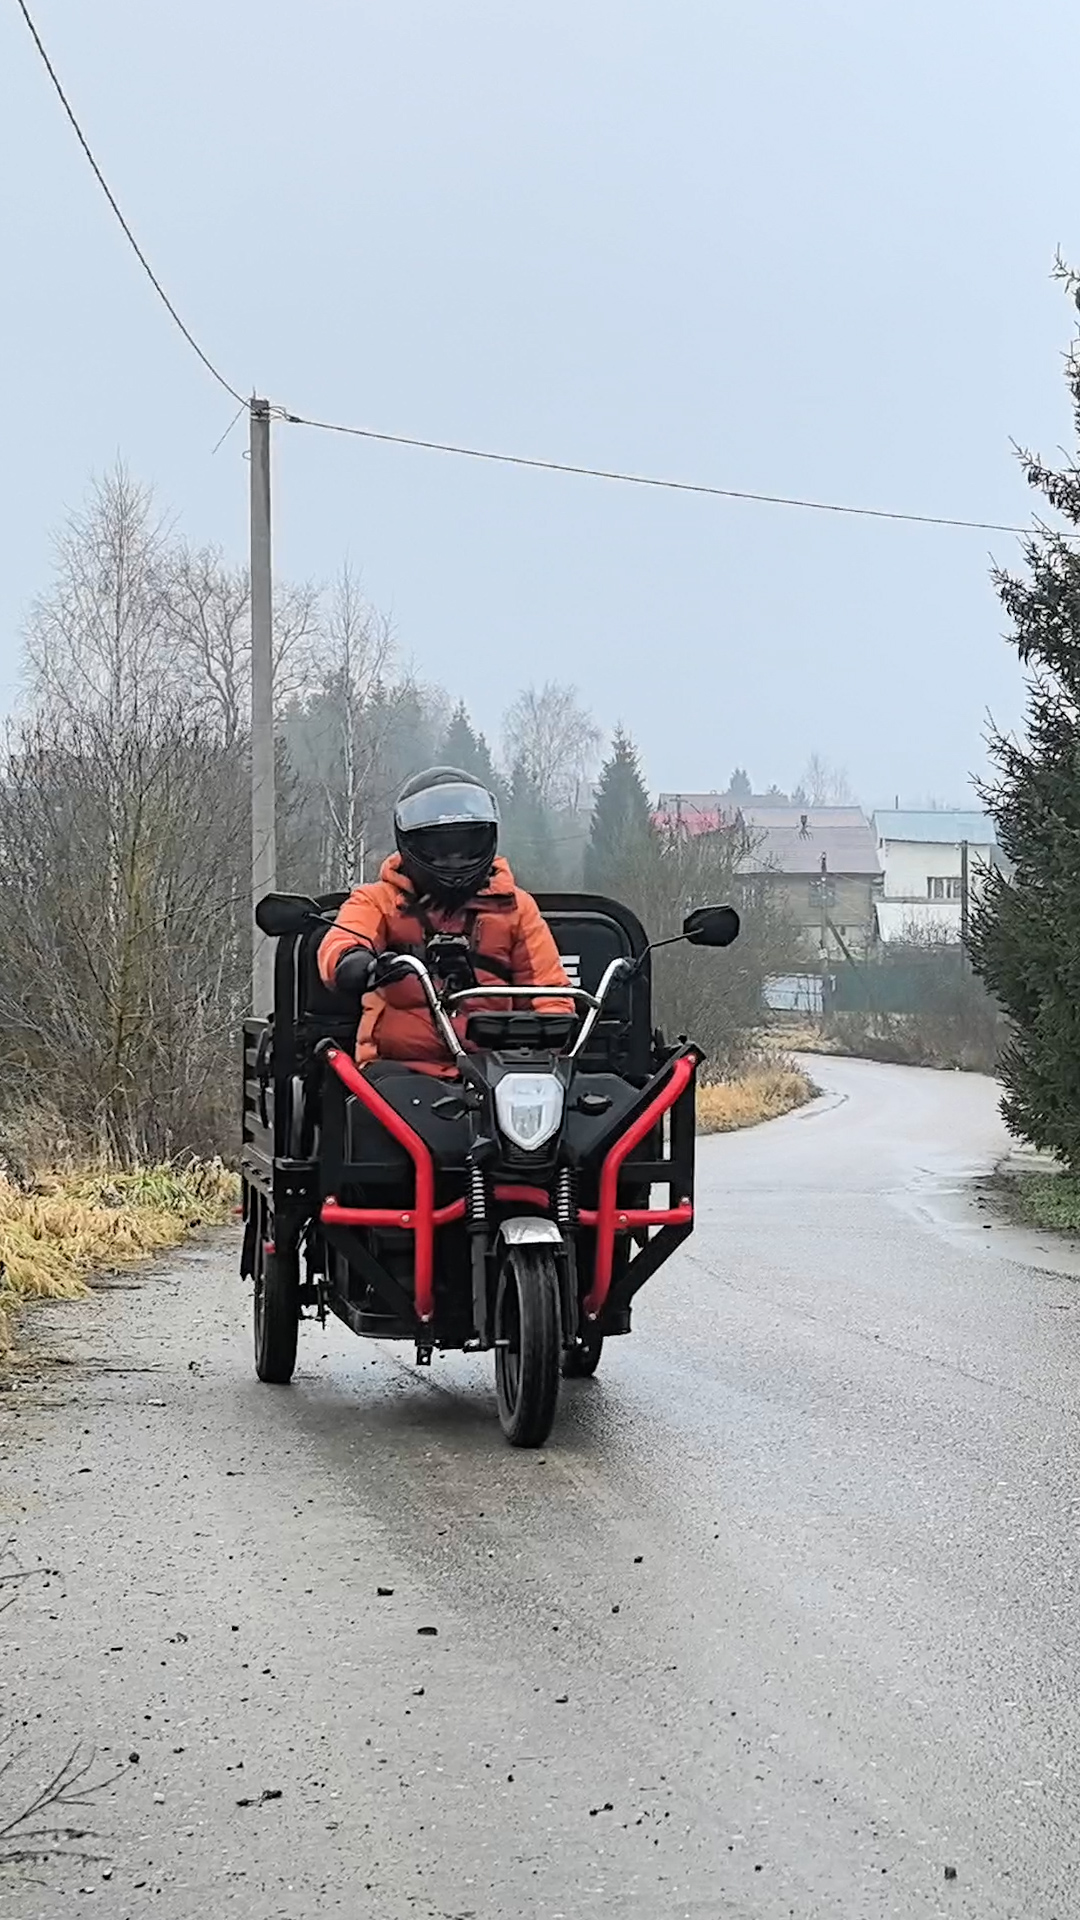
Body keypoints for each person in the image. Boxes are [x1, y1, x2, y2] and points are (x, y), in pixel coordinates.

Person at [318, 767, 570, 1068]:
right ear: (410, 843)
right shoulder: (377, 900)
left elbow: (551, 992)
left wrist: (543, 1048)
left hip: (498, 1070)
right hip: (397, 1069)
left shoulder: (516, 907)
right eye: (440, 848)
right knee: (371, 1104)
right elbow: (342, 940)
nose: (454, 859)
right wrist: (358, 963)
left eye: (466, 848)